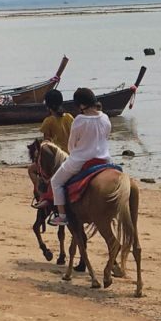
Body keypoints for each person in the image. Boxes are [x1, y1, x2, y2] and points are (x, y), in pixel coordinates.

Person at [46, 87, 112, 226]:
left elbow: (71, 146)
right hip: (105, 159)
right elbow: (106, 136)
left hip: (82, 161)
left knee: (56, 182)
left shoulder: (79, 120)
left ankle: (62, 216)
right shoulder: (105, 117)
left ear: (81, 104)